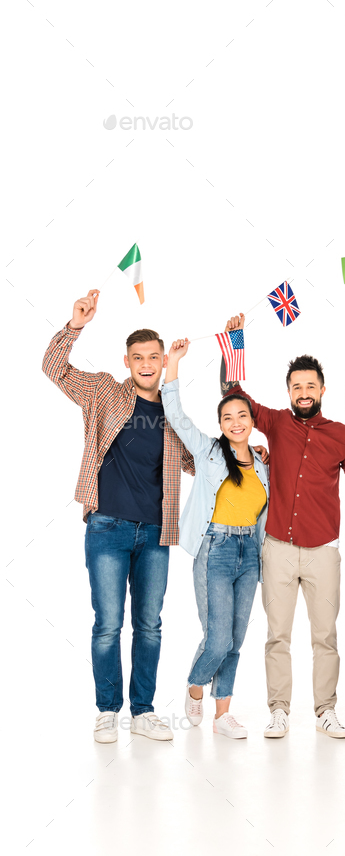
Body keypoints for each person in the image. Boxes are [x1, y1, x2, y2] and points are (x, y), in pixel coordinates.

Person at [42, 289, 195, 743]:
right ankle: (108, 710)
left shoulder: (171, 410)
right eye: (138, 358)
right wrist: (75, 326)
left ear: (164, 361)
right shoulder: (105, 390)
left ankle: (143, 711)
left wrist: (244, 453)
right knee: (108, 624)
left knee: (149, 625)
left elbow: (196, 459)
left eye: (154, 357)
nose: (146, 364)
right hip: (107, 527)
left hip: (156, 533)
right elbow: (54, 368)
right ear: (127, 362)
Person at [221, 313, 345, 738]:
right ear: (289, 392)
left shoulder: (340, 435)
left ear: (322, 390)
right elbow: (235, 396)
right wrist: (234, 342)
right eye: (297, 386)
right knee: (277, 635)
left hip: (323, 552)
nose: (303, 392)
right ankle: (278, 710)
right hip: (277, 547)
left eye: (310, 386)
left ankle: (325, 711)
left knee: (325, 637)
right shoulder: (277, 422)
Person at [161, 337, 270, 739]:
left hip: (250, 554)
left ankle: (222, 714)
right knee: (218, 639)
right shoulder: (208, 451)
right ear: (221, 424)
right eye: (228, 417)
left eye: (242, 416)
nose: (236, 422)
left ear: (252, 421)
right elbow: (175, 413)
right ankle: (195, 685)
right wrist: (174, 363)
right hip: (216, 550)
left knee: (236, 640)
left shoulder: (262, 464)